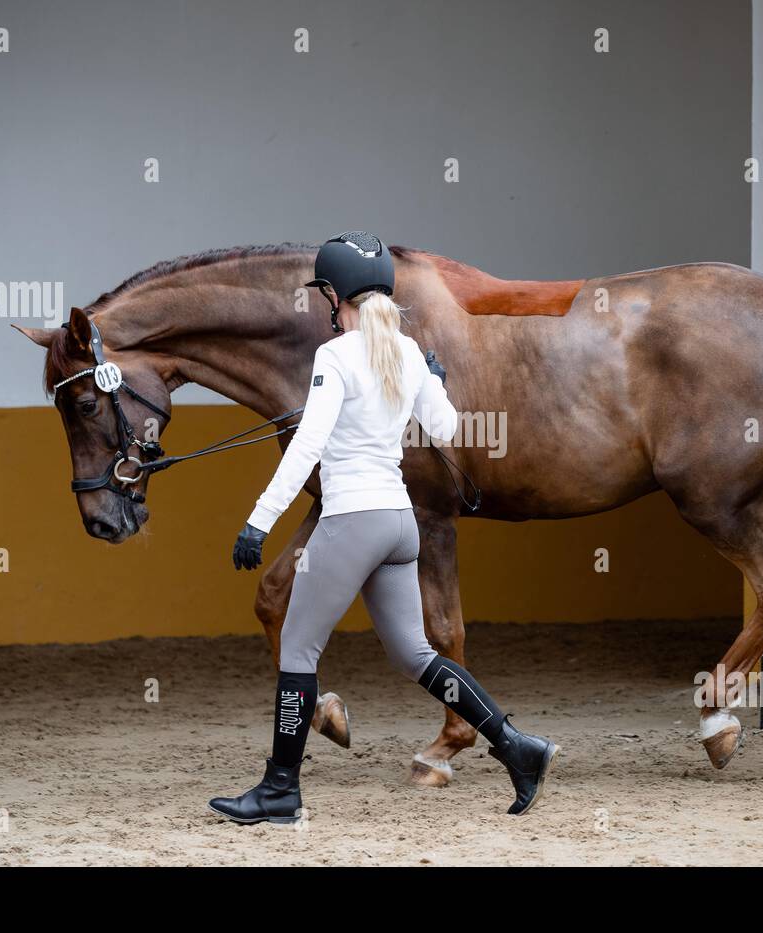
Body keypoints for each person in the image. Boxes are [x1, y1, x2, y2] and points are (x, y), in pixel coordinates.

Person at [210, 232, 558, 824]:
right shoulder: (408, 349)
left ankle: (279, 791)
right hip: (400, 524)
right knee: (416, 653)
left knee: (297, 649)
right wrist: (436, 377)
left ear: (334, 295)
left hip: (352, 521)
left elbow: (308, 447)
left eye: (326, 293)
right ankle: (517, 748)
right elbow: (445, 427)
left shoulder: (335, 356)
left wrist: (258, 520)